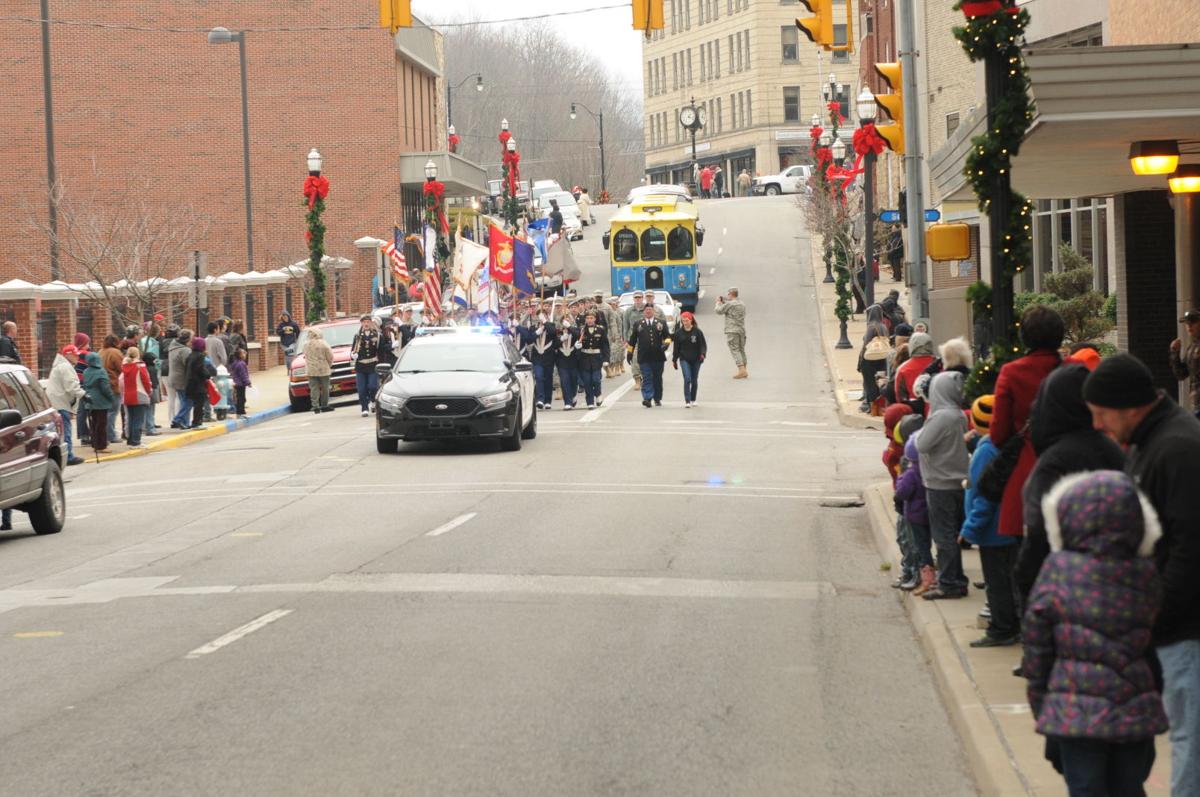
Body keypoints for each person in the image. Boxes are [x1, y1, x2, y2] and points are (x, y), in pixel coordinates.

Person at [1084, 353, 1200, 795]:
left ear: (1128, 406)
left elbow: (1190, 551)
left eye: (1100, 415)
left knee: (1190, 739)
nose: (1098, 426)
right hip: (1169, 627)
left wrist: (1155, 617)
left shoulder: (1178, 448)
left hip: (1185, 629)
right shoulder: (1154, 443)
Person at [1021, 470, 1167, 797]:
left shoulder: (1058, 568)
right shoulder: (1146, 573)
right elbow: (1157, 642)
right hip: (1135, 708)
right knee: (1130, 787)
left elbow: (1037, 645)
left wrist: (1041, 702)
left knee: (1085, 788)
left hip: (1075, 710)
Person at [1014, 363, 1125, 605]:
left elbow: (1038, 531)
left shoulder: (1054, 462)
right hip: (1117, 586)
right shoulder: (1112, 449)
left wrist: (1024, 582)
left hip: (1065, 592)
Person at [991, 305, 1064, 544]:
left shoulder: (1012, 372)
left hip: (1027, 469)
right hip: (1072, 475)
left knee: (1027, 561)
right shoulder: (1076, 370)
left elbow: (998, 433)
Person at [960, 395, 1020, 646]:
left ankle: (1001, 628)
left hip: (991, 530)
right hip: (1006, 527)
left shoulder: (986, 451)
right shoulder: (1006, 445)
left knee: (997, 584)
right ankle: (1012, 624)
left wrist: (970, 529)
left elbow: (984, 495)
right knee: (1008, 580)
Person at [916, 371, 970, 600]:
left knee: (944, 535)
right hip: (957, 480)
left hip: (940, 482)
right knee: (952, 533)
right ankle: (957, 578)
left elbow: (922, 443)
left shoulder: (941, 417)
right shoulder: (958, 415)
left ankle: (949, 583)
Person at [894, 414, 934, 594]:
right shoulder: (931, 465)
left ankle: (918, 576)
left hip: (913, 514)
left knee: (915, 546)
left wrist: (900, 480)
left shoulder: (910, 471)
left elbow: (902, 491)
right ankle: (925, 577)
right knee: (924, 546)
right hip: (928, 512)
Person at [882, 403, 915, 587]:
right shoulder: (903, 446)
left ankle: (911, 569)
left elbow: (898, 472)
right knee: (907, 537)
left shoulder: (901, 451)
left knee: (907, 537)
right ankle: (911, 567)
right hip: (909, 499)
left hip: (907, 501)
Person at [46, 344, 86, 466]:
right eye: (75, 355)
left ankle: (65, 455)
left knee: (61, 431)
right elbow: (71, 386)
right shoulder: (65, 367)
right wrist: (83, 394)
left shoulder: (61, 365)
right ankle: (68, 456)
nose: (77, 357)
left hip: (57, 402)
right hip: (61, 403)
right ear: (68, 354)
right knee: (65, 430)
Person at [627, 303, 671, 407]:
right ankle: (647, 398)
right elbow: (632, 340)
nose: (648, 311)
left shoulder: (661, 323)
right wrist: (630, 352)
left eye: (650, 310)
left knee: (657, 378)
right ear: (644, 312)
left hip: (658, 356)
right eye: (646, 310)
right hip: (644, 356)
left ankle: (657, 398)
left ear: (653, 311)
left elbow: (668, 337)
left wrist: (666, 345)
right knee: (646, 377)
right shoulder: (638, 324)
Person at [82, 351, 116, 454]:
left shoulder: (86, 371)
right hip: (100, 401)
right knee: (101, 424)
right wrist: (111, 397)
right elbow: (105, 388)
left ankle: (95, 443)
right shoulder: (101, 371)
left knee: (94, 423)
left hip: (89, 399)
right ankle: (101, 445)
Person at [858, 304, 890, 413]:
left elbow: (865, 346)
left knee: (870, 383)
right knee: (880, 382)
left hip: (869, 360)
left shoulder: (871, 327)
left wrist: (860, 362)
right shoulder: (883, 326)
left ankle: (872, 407)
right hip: (882, 359)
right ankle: (881, 406)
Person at [119, 346, 152, 448]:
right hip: (139, 394)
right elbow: (145, 381)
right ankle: (136, 441)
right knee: (138, 419)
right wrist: (149, 391)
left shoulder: (124, 366)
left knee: (131, 419)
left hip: (127, 395)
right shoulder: (140, 365)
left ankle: (130, 440)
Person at [1169, 308, 1200, 417]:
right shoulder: (1192, 348)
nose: (1189, 325)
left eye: (1193, 321)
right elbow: (1181, 374)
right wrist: (1174, 353)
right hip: (1196, 402)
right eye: (1187, 323)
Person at [672, 311, 706, 407]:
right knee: (687, 378)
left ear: (691, 320)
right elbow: (676, 348)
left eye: (687, 321)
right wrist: (674, 360)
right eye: (683, 321)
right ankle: (687, 401)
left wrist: (702, 354)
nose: (685, 323)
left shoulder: (697, 332)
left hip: (696, 359)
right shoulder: (678, 333)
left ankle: (693, 399)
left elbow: (703, 345)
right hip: (684, 359)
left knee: (694, 380)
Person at [576, 309, 609, 409]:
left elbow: (605, 345)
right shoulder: (581, 330)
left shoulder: (600, 329)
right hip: (584, 358)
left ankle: (598, 394)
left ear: (595, 319)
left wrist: (606, 359)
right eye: (587, 318)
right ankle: (589, 401)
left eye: (591, 318)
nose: (589, 320)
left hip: (596, 358)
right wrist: (577, 345)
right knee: (587, 381)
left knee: (596, 379)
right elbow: (578, 342)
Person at [349, 315, 380, 417]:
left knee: (372, 386)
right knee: (361, 389)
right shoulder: (357, 336)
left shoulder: (376, 335)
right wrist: (353, 355)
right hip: (361, 365)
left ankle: (373, 400)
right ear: (361, 323)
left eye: (368, 322)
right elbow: (353, 349)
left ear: (371, 323)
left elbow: (381, 349)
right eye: (364, 322)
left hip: (372, 364)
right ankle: (364, 407)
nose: (366, 324)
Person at [715, 286, 748, 378]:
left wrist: (718, 302)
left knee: (735, 349)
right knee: (741, 349)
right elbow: (731, 304)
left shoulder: (730, 304)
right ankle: (744, 369)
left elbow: (718, 311)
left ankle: (741, 369)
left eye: (728, 294)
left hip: (732, 330)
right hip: (741, 330)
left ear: (730, 294)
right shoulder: (741, 303)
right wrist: (724, 300)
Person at [303, 326, 334, 413]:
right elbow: (330, 356)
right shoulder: (323, 343)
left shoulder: (306, 344)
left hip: (311, 370)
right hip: (323, 369)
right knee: (325, 388)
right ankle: (324, 405)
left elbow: (305, 355)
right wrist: (329, 364)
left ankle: (315, 406)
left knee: (314, 388)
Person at [99, 334, 123, 442]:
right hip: (113, 384)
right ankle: (111, 435)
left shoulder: (100, 352)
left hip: (102, 385)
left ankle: (104, 434)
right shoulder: (115, 353)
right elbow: (122, 368)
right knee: (113, 411)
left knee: (105, 412)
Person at [183, 337, 211, 430]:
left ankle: (197, 421)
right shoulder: (200, 356)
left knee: (196, 403)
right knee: (200, 403)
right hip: (198, 384)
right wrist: (207, 375)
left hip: (190, 383)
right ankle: (196, 422)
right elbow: (201, 369)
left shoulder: (190, 355)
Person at [555, 314, 580, 410]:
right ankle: (567, 402)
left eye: (568, 320)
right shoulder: (558, 332)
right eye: (564, 321)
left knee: (574, 380)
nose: (566, 322)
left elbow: (578, 335)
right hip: (562, 360)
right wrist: (561, 339)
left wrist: (569, 327)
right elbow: (554, 345)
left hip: (573, 359)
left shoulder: (574, 330)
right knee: (565, 381)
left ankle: (573, 395)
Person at [230, 347, 251, 418]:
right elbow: (243, 374)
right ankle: (240, 413)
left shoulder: (235, 363)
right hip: (241, 384)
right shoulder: (242, 364)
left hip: (236, 383)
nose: (245, 355)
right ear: (240, 355)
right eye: (244, 353)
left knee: (239, 398)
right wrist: (248, 382)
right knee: (241, 399)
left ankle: (240, 412)